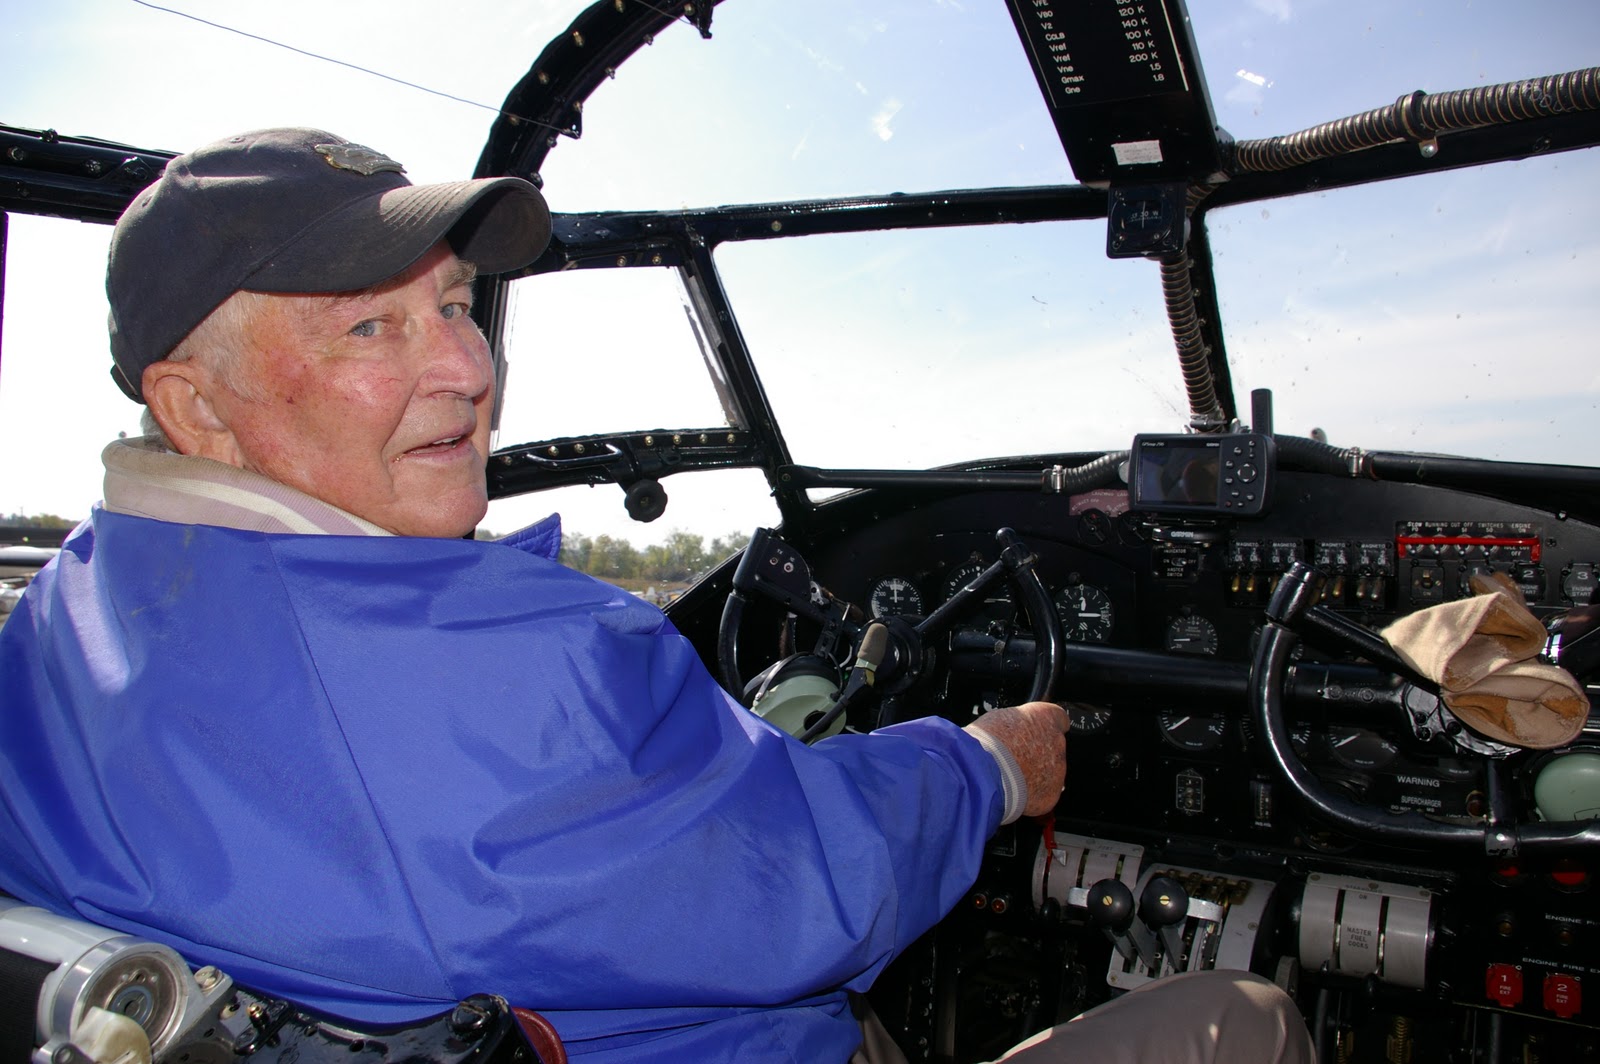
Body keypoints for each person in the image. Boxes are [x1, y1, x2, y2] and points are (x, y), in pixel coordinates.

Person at [0, 128, 1311, 1064]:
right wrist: (987, 767)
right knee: (1241, 1021)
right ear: (194, 407)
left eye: (457, 305)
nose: (465, 367)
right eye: (368, 329)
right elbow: (804, 886)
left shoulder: (59, 621)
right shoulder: (494, 668)